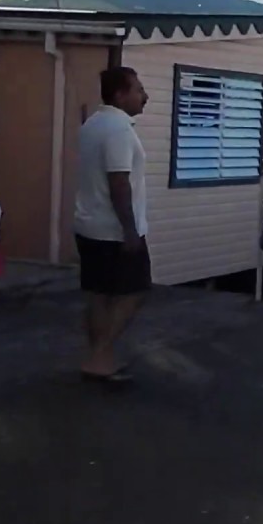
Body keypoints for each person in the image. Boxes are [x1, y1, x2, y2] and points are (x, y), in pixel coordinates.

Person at [72, 67, 151, 384]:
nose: (145, 96)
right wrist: (129, 230)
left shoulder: (92, 124)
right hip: (112, 229)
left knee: (98, 295)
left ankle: (101, 360)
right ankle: (98, 356)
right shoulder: (118, 129)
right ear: (120, 94)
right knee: (135, 291)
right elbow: (119, 182)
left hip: (88, 223)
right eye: (138, 89)